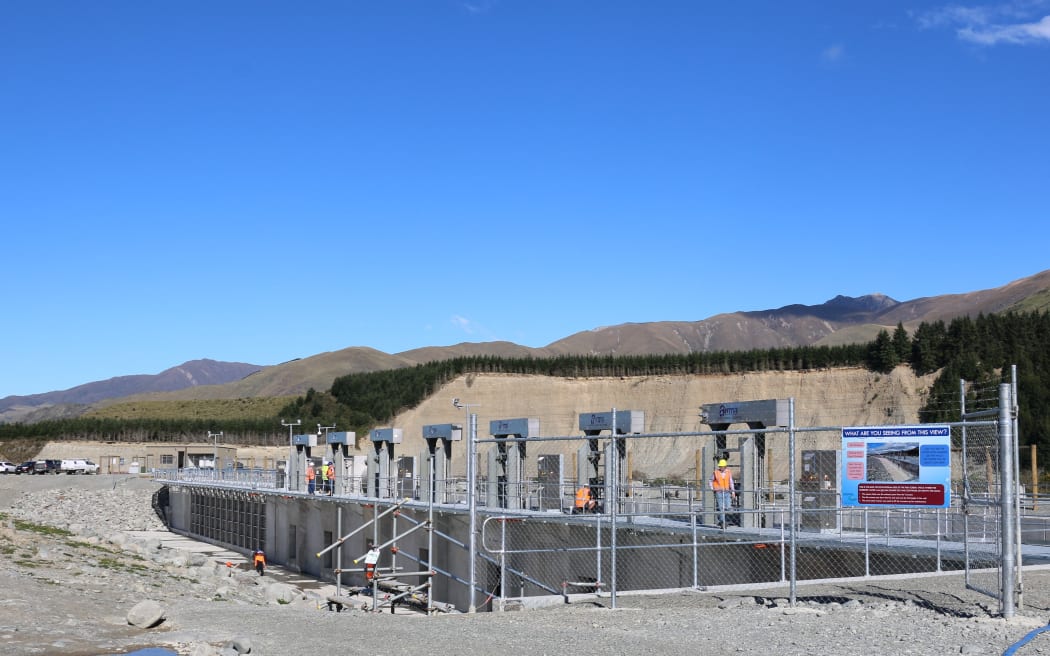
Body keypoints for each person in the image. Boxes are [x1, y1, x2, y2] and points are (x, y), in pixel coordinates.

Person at [710, 459, 736, 528]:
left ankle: (722, 519)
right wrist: (713, 489)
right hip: (719, 492)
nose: (721, 467)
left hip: (727, 492)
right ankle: (723, 522)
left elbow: (731, 482)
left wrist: (733, 492)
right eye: (720, 466)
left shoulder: (728, 472)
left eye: (722, 466)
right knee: (721, 508)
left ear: (725, 466)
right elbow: (711, 481)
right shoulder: (715, 472)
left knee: (728, 507)